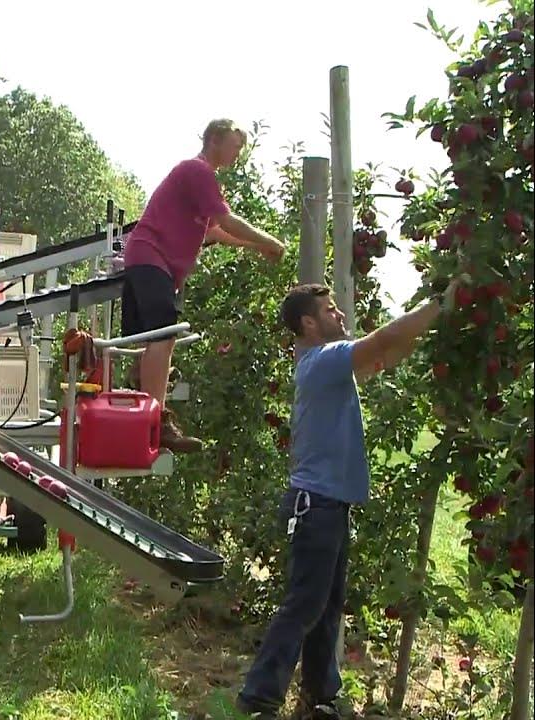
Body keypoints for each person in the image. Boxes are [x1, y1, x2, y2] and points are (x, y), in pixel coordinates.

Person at [234, 280, 459, 719]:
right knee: (305, 604)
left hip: (328, 505)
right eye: (330, 309)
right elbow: (384, 340)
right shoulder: (322, 360)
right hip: (315, 505)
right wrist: (440, 301)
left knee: (324, 606)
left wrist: (434, 320)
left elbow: (389, 353)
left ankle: (319, 698)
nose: (339, 315)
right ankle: (257, 698)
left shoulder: (327, 365)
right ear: (308, 322)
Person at [121, 119, 287, 453]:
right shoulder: (197, 171)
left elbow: (215, 232)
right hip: (151, 255)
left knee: (155, 339)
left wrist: (259, 247)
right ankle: (155, 420)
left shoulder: (200, 182)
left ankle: (144, 404)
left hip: (157, 264)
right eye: (235, 146)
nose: (238, 154)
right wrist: (273, 241)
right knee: (162, 334)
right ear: (214, 140)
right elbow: (227, 220)